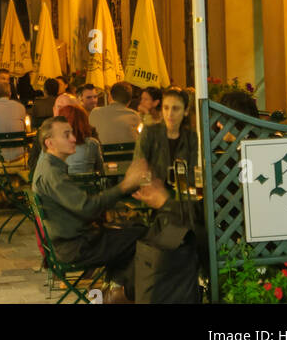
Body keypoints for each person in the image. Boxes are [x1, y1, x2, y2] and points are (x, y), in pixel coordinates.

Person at [32, 115, 151, 297]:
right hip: (76, 247)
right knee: (143, 236)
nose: (74, 138)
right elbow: (87, 207)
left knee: (132, 230)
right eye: (66, 135)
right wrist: (125, 185)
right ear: (50, 143)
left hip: (68, 243)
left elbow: (83, 205)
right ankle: (116, 293)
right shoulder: (52, 173)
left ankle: (110, 290)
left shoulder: (47, 165)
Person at [135, 86, 199, 186]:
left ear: (185, 111)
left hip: (181, 194)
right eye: (166, 108)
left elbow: (193, 172)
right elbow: (139, 167)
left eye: (176, 108)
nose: (169, 114)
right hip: (154, 193)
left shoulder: (191, 137)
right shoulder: (149, 133)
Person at [58, 104, 104, 176]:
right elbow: (100, 170)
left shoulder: (53, 146)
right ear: (84, 121)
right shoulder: (92, 144)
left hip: (62, 186)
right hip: (89, 185)